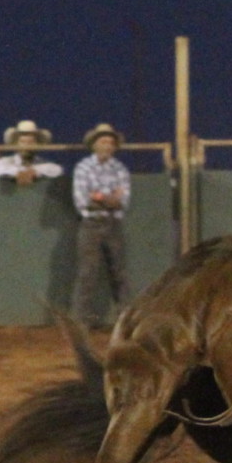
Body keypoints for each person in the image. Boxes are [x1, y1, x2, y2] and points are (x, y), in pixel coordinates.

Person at [71, 123, 133, 328]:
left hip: (112, 223)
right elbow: (82, 201)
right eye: (103, 141)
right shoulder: (83, 167)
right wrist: (110, 199)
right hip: (91, 223)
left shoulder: (120, 168)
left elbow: (122, 201)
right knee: (88, 272)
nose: (107, 145)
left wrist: (99, 198)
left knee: (119, 273)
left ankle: (124, 319)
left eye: (110, 142)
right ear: (94, 144)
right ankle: (82, 321)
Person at [0, 120, 64, 184]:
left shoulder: (43, 163)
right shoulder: (6, 161)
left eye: (31, 142)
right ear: (16, 143)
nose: (27, 146)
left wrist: (35, 172)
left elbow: (58, 170)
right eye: (23, 142)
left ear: (37, 144)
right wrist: (16, 172)